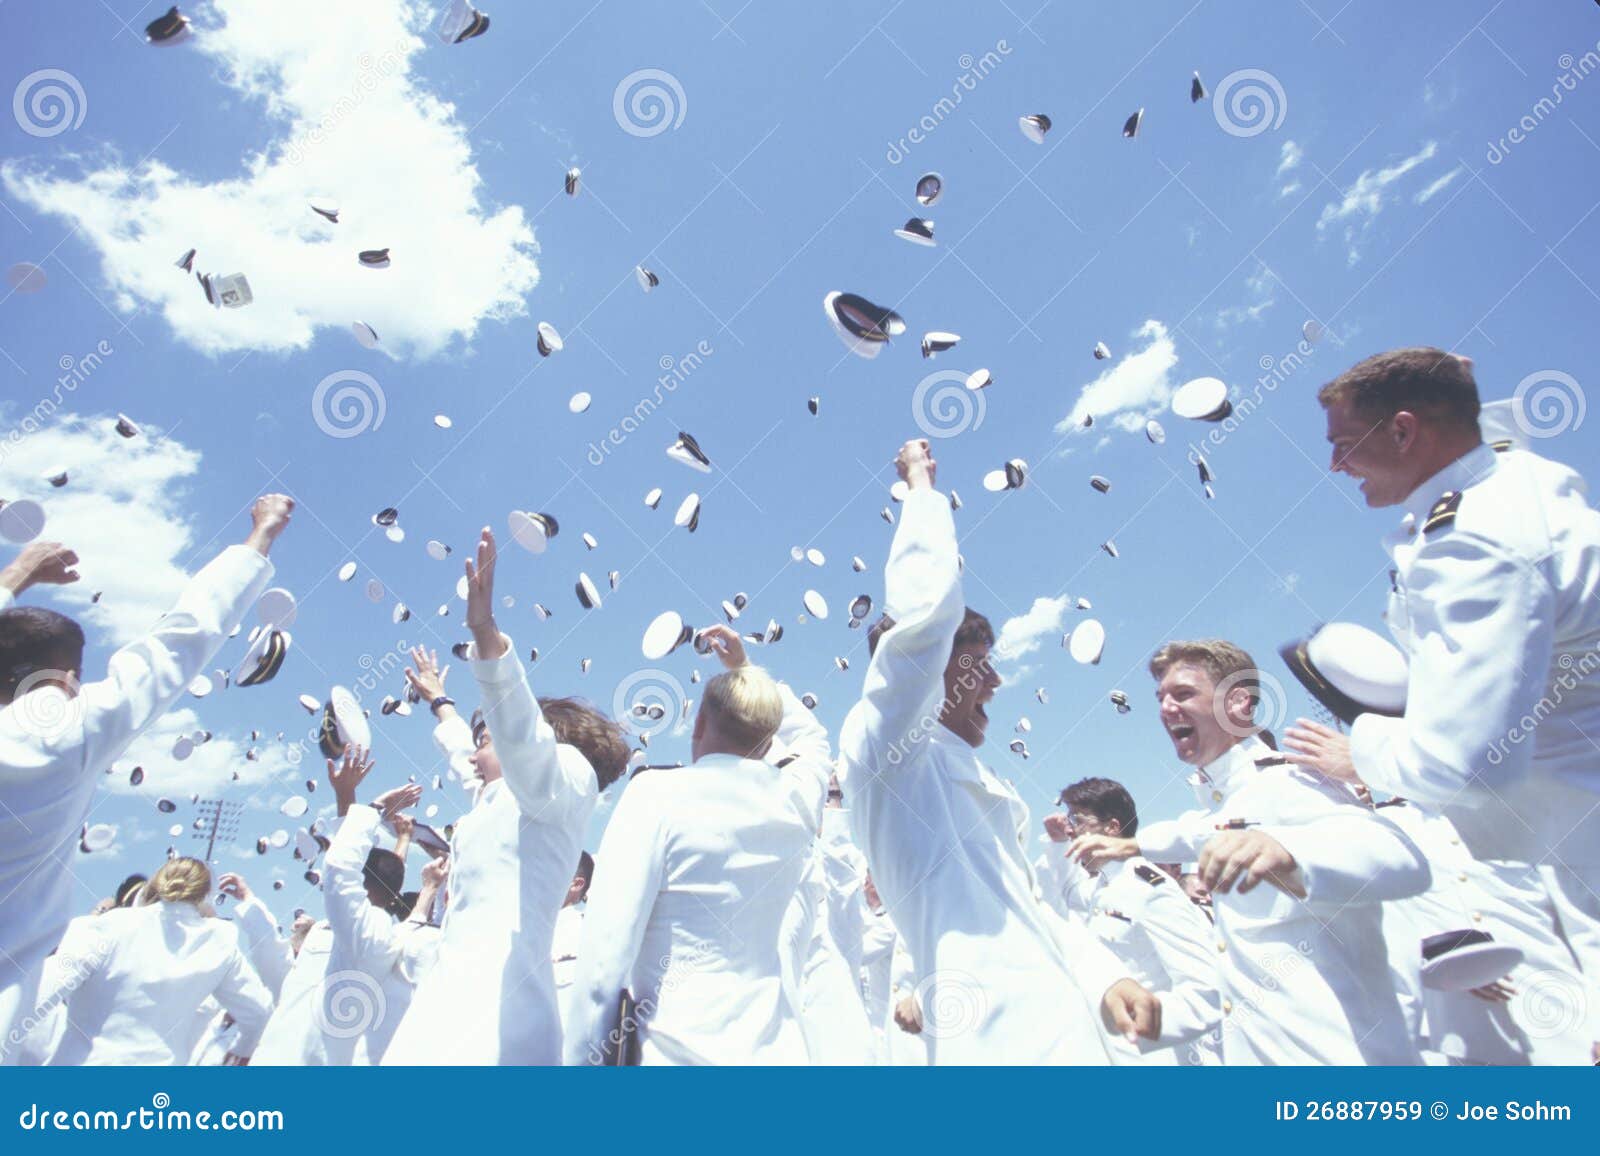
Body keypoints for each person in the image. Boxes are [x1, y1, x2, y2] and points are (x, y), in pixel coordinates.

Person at [1286, 347, 1600, 1053]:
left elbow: (1465, 765)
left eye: (1343, 445)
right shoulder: (1516, 479)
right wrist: (1447, 377)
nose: (1336, 466)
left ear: (1402, 432)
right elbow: (1483, 429)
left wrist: (1359, 752)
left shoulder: (1475, 544)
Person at [835, 438, 1157, 1064]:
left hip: (1074, 1037)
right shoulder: (889, 755)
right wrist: (922, 491)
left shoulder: (976, 777)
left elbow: (1034, 904)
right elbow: (924, 617)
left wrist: (1103, 976)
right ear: (932, 672)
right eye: (978, 665)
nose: (996, 681)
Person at [0, 496, 292, 1063]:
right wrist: (260, 537)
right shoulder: (61, 734)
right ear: (67, 678)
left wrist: (15, 575)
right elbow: (180, 641)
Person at [1072, 639, 1432, 1064]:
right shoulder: (1224, 805)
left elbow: (1402, 859)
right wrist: (1148, 1022)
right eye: (1161, 698)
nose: (1166, 708)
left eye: (1184, 693)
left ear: (1238, 703)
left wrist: (1289, 851)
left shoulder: (1288, 781)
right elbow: (1200, 834)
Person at [384, 528, 629, 1066]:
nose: (475, 755)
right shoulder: (498, 800)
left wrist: (485, 631)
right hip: (445, 1007)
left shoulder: (564, 779)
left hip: (494, 1025)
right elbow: (465, 758)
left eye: (486, 741)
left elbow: (520, 735)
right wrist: (440, 702)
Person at [565, 625, 830, 1065]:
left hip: (676, 1055)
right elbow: (813, 739)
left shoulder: (654, 794)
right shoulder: (797, 798)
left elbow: (603, 960)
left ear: (700, 723)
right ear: (768, 731)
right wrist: (746, 669)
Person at [1041, 779, 1223, 1066]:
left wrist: (1133, 1026)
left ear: (1112, 828)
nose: (1071, 828)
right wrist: (1058, 842)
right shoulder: (1103, 884)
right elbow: (1069, 891)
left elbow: (1207, 989)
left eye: (1078, 819)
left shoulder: (1148, 887)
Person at [44, 857, 272, 1066]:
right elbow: (260, 1012)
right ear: (203, 895)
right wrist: (243, 1048)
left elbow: (43, 991)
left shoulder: (101, 927)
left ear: (155, 884)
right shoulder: (220, 942)